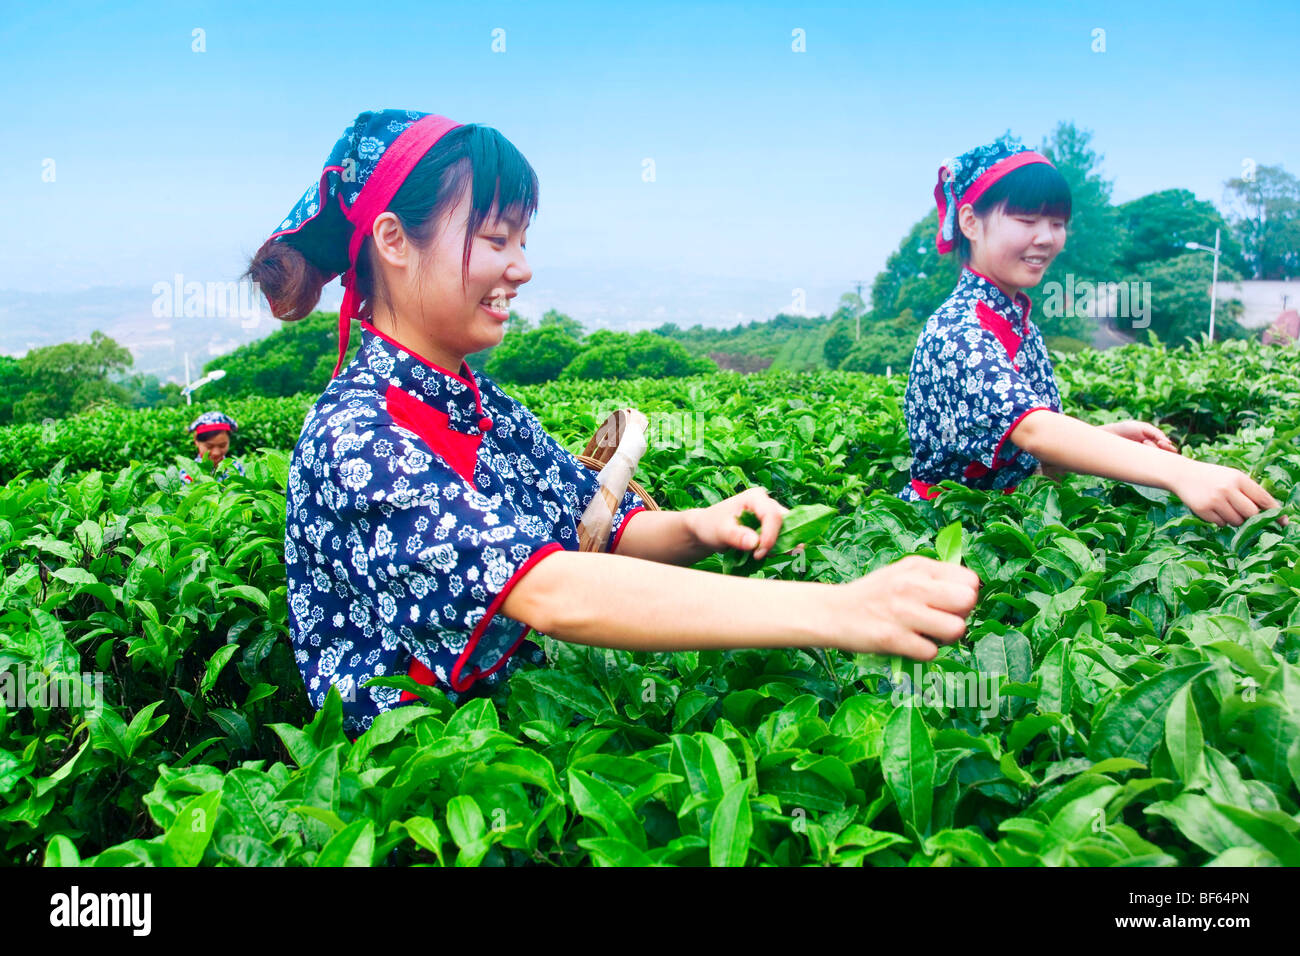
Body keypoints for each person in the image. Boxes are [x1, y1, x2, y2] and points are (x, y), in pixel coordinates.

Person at [247, 108, 981, 738]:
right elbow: (551, 589)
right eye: (496, 239)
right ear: (394, 241)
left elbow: (604, 526)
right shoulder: (356, 435)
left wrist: (701, 526)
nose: (522, 268)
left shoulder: (476, 401)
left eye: (522, 240)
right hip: (423, 794)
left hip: (528, 746)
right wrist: (842, 611)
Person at [899, 138, 1287, 530]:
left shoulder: (1016, 322)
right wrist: (1182, 471)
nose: (1047, 237)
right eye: (1027, 220)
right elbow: (1035, 430)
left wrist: (1108, 438)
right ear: (970, 222)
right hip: (945, 536)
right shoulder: (958, 330)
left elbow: (1021, 448)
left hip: (1005, 529)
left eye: (1057, 223)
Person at [179, 410, 246, 484]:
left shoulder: (236, 468)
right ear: (196, 440)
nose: (216, 453)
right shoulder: (186, 474)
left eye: (222, 445)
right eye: (209, 446)